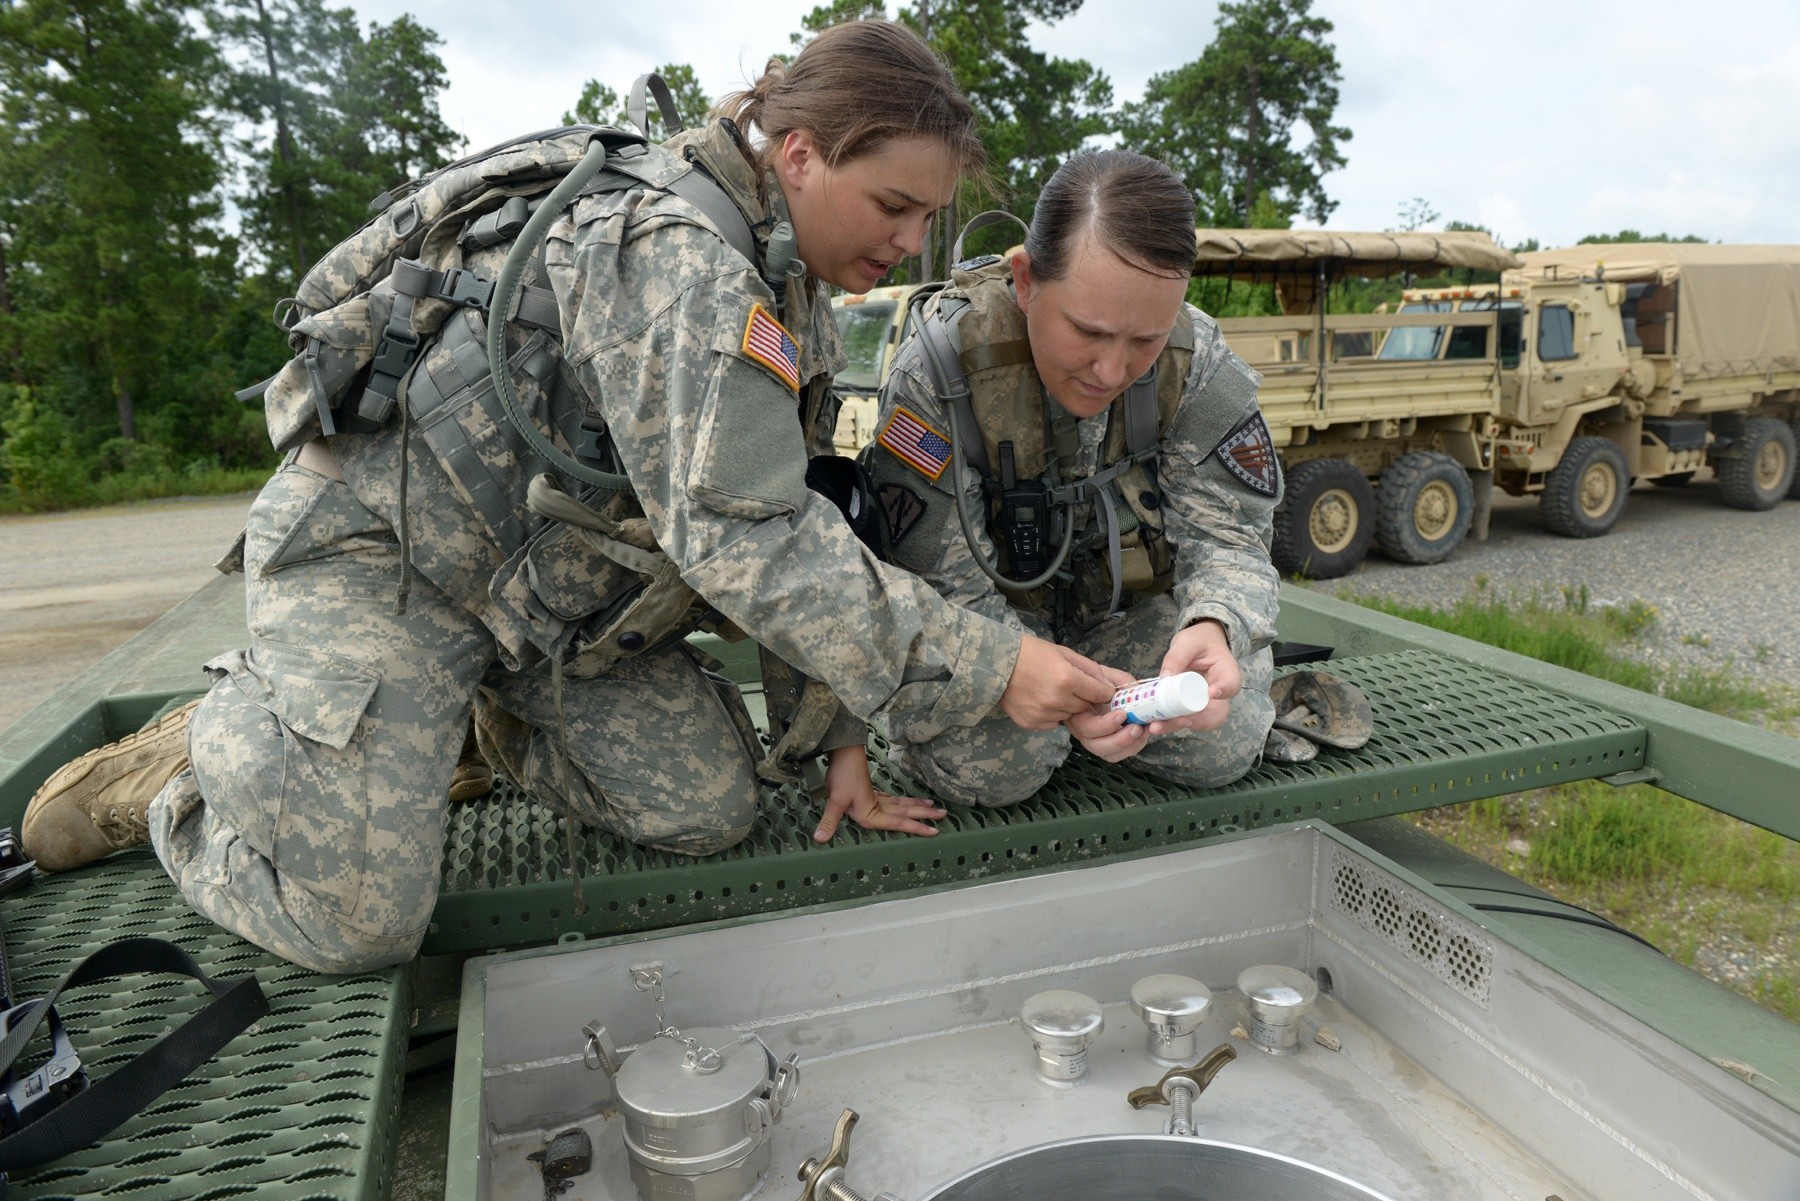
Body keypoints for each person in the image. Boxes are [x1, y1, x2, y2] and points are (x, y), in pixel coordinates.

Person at [21, 20, 1120, 975]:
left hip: (536, 608)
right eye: (893, 204)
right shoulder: (682, 263)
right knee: (355, 924)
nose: (911, 242)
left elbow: (798, 509)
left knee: (705, 812)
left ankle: (447, 729)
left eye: (929, 217)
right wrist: (993, 662)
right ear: (799, 154)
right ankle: (198, 763)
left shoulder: (789, 283)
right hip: (382, 562)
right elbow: (754, 547)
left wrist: (834, 742)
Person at [824, 150, 1282, 838]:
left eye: (1144, 341)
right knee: (1003, 766)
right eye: (1089, 332)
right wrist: (1025, 673)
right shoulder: (943, 369)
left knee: (1224, 736)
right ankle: (1070, 732)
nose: (1111, 369)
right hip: (985, 628)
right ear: (1026, 279)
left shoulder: (1197, 361)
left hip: (1115, 615)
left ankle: (1106, 722)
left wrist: (1215, 625)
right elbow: (933, 582)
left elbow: (1232, 538)